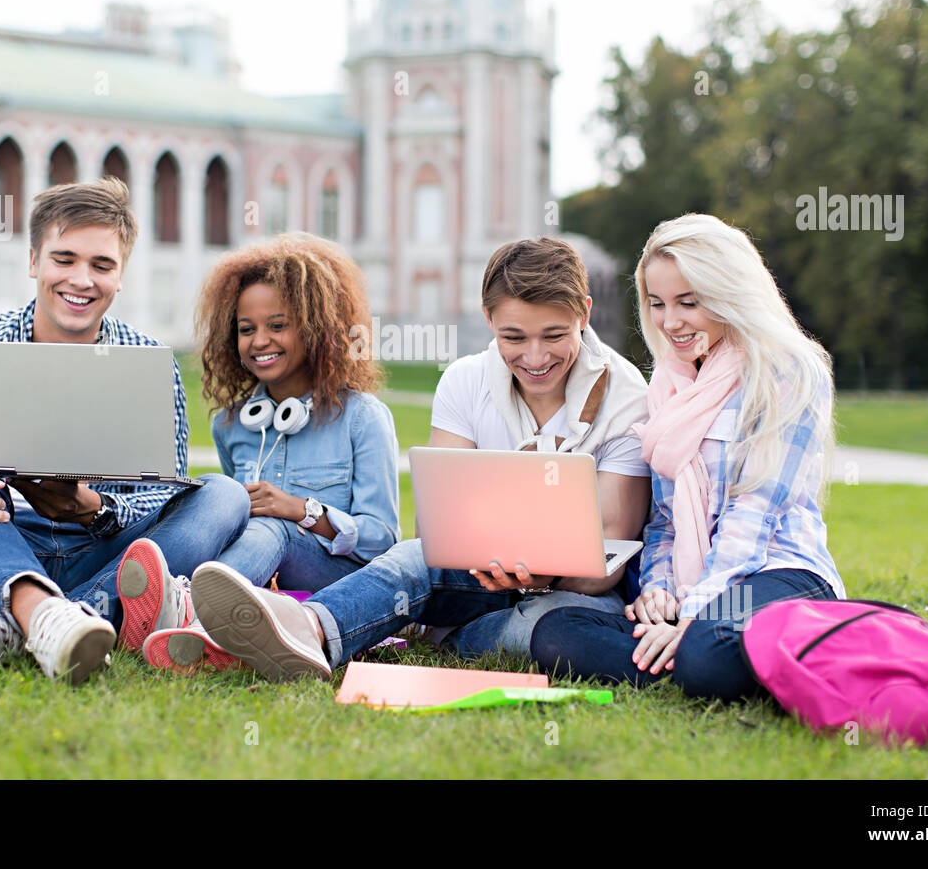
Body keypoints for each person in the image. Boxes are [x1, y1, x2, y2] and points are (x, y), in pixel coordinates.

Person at [181, 237, 653, 681]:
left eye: (554, 335)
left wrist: (547, 570)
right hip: (478, 574)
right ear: (488, 320)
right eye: (514, 337)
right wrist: (486, 557)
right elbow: (438, 532)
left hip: (570, 592)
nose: (534, 357)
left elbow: (607, 559)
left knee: (542, 629)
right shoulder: (465, 380)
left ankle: (452, 639)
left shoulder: (626, 397)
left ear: (584, 314)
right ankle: (307, 630)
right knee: (411, 557)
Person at [0, 178, 249, 684]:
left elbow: (156, 498)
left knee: (225, 495)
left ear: (121, 277)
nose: (82, 279)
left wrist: (93, 509)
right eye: (64, 259)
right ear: (33, 262)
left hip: (101, 552)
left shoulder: (148, 364)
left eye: (102, 265)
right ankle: (47, 611)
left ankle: (28, 623)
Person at [529, 213, 846, 701]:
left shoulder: (789, 371)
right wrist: (658, 591)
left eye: (689, 302)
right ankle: (708, 654)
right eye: (657, 303)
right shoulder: (669, 382)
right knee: (554, 632)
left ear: (727, 292)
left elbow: (753, 515)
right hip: (691, 586)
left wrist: (695, 612)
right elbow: (664, 521)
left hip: (776, 571)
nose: (670, 322)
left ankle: (704, 649)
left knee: (706, 654)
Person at [142, 232, 400, 674]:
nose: (260, 340)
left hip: (339, 583)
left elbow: (383, 541)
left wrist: (303, 511)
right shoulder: (231, 424)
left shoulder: (363, 418)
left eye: (277, 325)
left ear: (317, 328)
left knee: (274, 529)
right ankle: (184, 612)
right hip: (261, 580)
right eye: (247, 330)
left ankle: (191, 619)